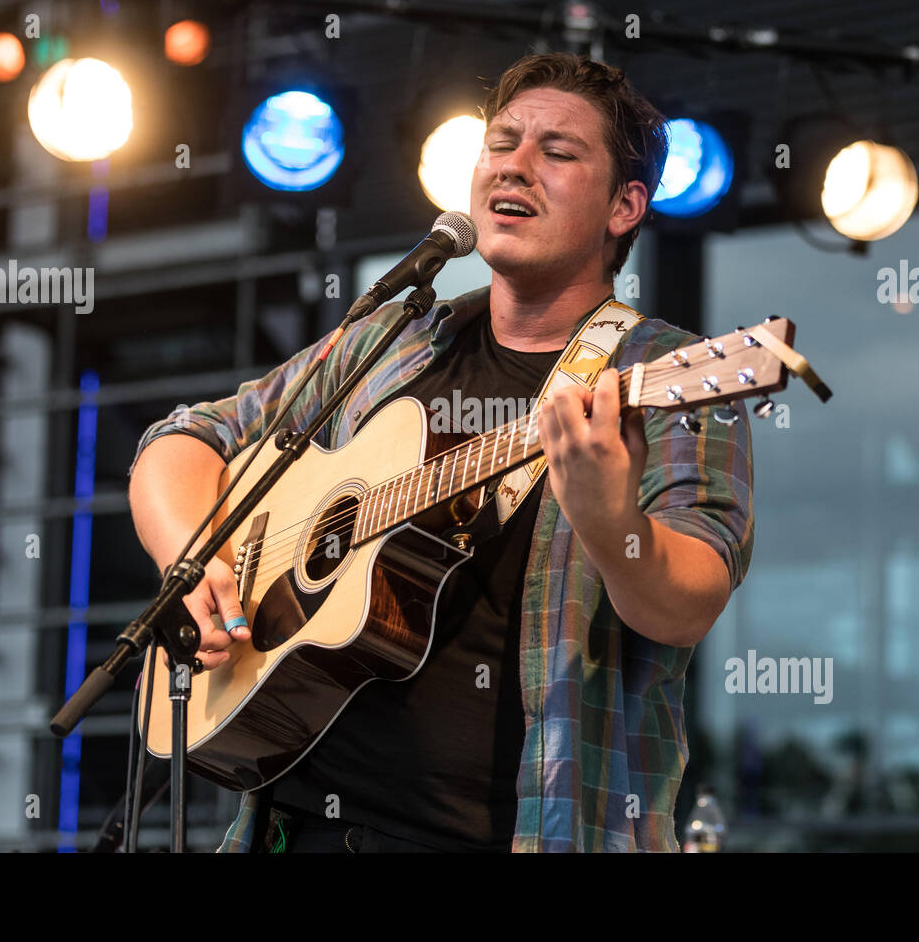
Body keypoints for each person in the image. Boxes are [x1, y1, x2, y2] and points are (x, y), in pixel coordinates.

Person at [127, 52, 754, 852]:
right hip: (288, 830)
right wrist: (195, 560)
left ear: (624, 205)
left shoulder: (664, 377)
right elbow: (187, 437)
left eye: (558, 153)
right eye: (501, 143)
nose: (514, 168)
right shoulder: (391, 343)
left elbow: (687, 600)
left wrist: (607, 515)